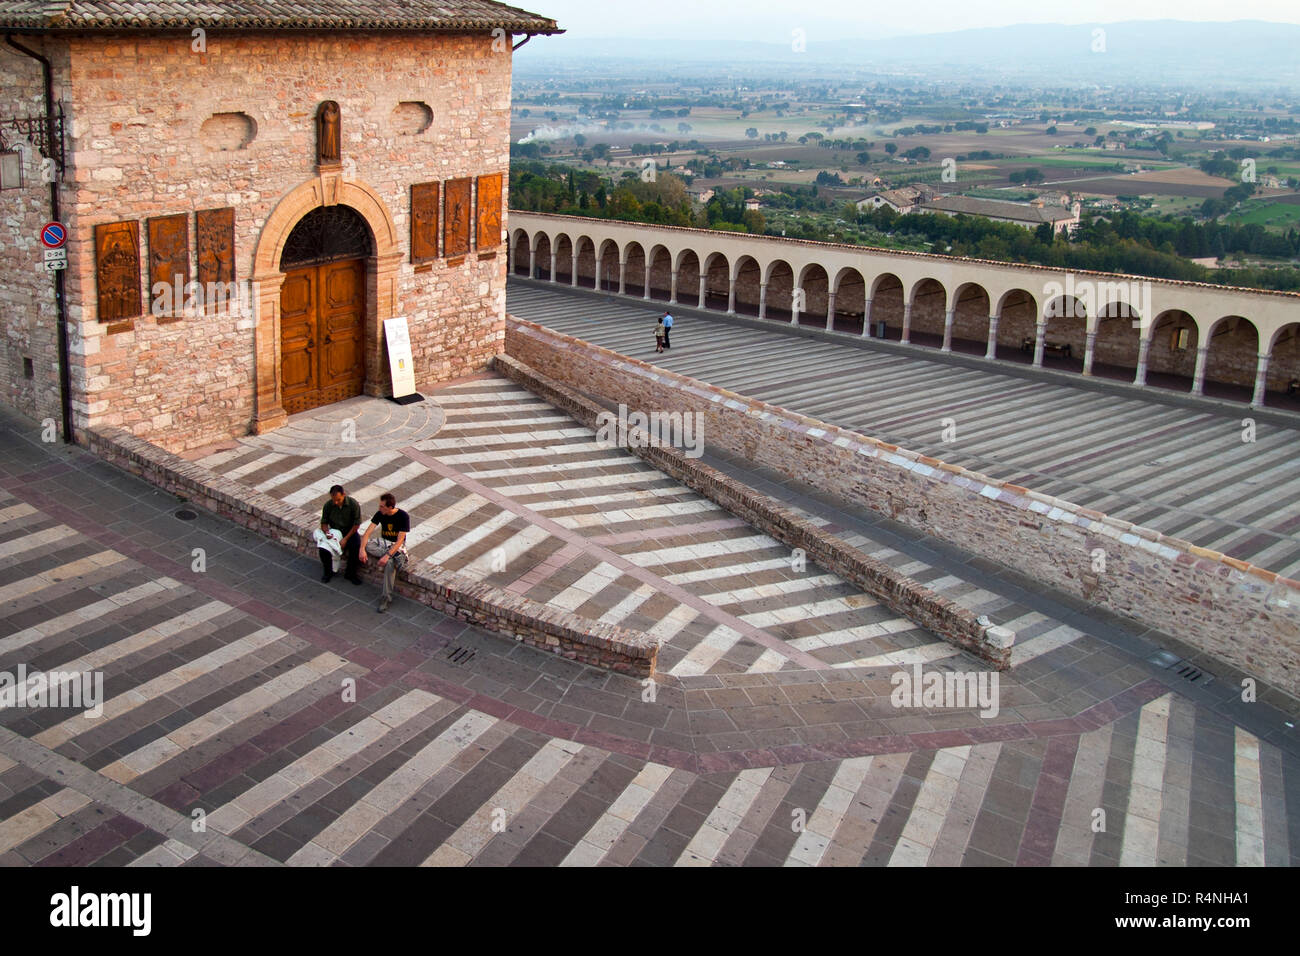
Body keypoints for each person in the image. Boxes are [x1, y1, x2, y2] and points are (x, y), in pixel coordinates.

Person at [359, 492, 410, 613]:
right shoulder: (380, 514)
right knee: (369, 545)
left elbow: (400, 540)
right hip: (384, 543)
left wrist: (387, 556)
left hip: (397, 545)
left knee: (389, 564)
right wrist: (361, 549)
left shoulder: (403, 516)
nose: (379, 508)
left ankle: (385, 598)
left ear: (390, 507)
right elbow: (367, 533)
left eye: (382, 506)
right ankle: (395, 556)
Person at [318, 484, 361, 584]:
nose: (336, 502)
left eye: (338, 500)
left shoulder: (353, 504)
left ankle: (350, 573)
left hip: (349, 531)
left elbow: (356, 524)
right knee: (323, 550)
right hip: (334, 531)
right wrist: (327, 532)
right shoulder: (328, 505)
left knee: (355, 546)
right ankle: (328, 572)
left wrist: (345, 539)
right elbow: (324, 522)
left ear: (343, 495)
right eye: (334, 500)